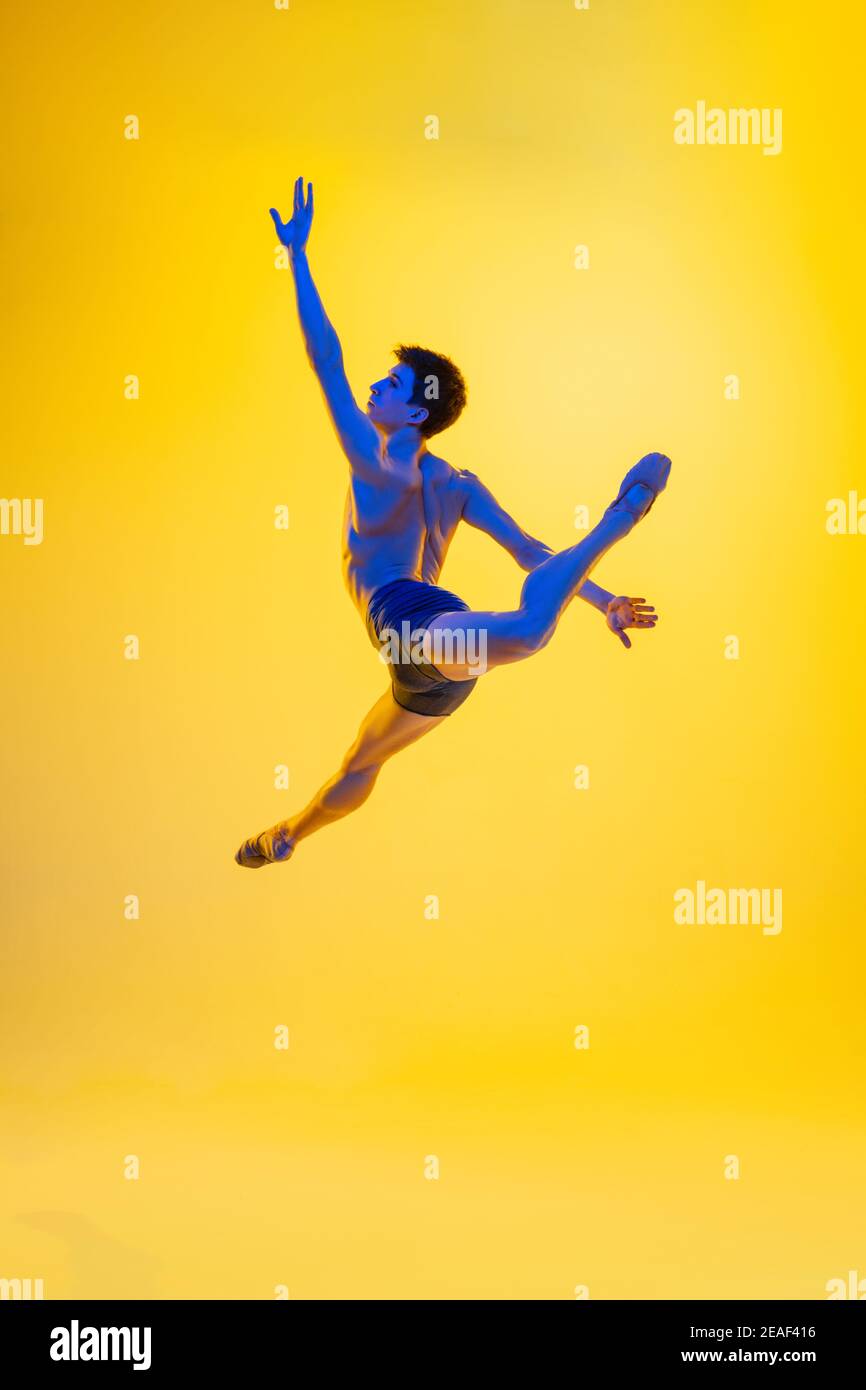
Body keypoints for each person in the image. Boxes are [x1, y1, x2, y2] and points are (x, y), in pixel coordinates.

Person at [236, 178, 670, 867]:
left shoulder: (377, 465)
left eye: (390, 386)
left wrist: (298, 259)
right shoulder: (457, 484)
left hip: (409, 622)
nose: (373, 389)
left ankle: (617, 520)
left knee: (529, 632)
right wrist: (603, 601)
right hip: (431, 666)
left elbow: (326, 360)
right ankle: (287, 832)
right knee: (358, 762)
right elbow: (529, 551)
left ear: (412, 415)